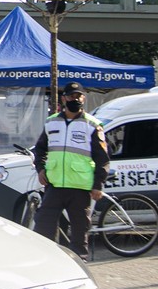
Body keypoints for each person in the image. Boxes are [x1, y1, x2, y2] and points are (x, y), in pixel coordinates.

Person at [32, 82, 110, 261]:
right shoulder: (52, 122)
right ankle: (45, 261)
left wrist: (98, 185)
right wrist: (40, 168)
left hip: (80, 187)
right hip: (55, 185)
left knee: (79, 230)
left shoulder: (92, 125)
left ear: (84, 98)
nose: (75, 99)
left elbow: (102, 158)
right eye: (72, 96)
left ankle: (79, 264)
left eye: (79, 96)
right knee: (43, 225)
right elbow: (40, 149)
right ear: (64, 98)